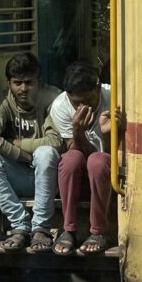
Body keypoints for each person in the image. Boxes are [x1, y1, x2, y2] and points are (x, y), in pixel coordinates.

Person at [0, 53, 62, 253]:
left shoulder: (53, 97)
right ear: (9, 84)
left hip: (49, 178)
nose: (23, 89)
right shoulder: (4, 99)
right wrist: (19, 154)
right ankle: (20, 224)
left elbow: (56, 142)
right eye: (17, 83)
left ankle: (41, 227)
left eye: (29, 83)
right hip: (19, 176)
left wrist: (17, 143)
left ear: (38, 82)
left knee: (46, 153)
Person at [48, 60, 120, 255]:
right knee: (70, 159)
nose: (82, 107)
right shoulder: (60, 106)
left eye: (87, 101)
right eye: (76, 103)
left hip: (108, 173)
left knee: (98, 161)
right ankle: (69, 229)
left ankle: (98, 231)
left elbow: (118, 152)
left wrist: (109, 133)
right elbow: (76, 150)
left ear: (98, 89)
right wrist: (78, 131)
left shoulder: (113, 96)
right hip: (82, 176)